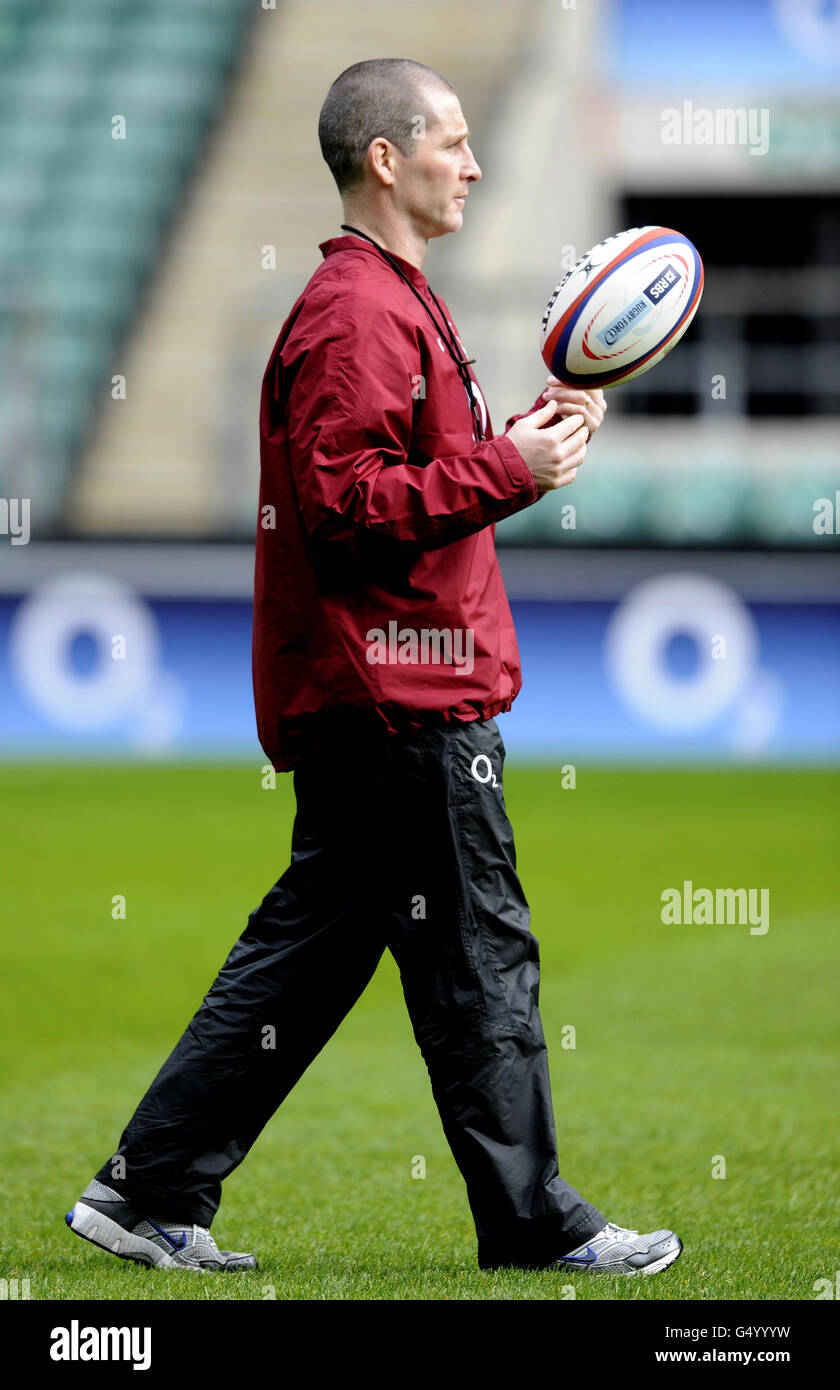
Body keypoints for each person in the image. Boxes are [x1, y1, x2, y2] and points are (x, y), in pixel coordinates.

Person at [65, 58, 681, 1279]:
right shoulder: (359, 310)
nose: (475, 161)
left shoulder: (386, 297)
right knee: (480, 960)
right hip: (402, 697)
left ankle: (147, 1191)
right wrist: (510, 472)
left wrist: (526, 437)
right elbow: (349, 510)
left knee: (310, 953)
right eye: (452, 142)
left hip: (380, 690)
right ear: (386, 160)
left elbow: (406, 475)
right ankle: (531, 1220)